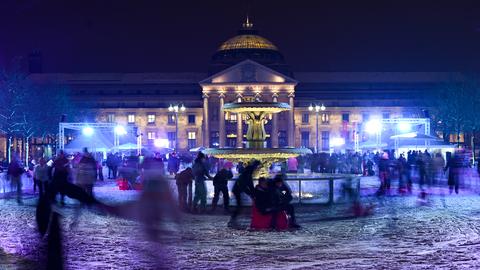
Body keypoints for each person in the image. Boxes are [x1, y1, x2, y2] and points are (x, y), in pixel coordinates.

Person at [229, 160, 260, 227]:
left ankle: (234, 218)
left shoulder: (247, 173)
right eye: (257, 167)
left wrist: (253, 193)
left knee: (240, 205)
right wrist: (251, 193)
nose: (257, 168)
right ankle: (233, 219)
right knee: (239, 205)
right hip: (237, 190)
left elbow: (250, 185)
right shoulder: (248, 173)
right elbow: (245, 185)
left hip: (238, 190)